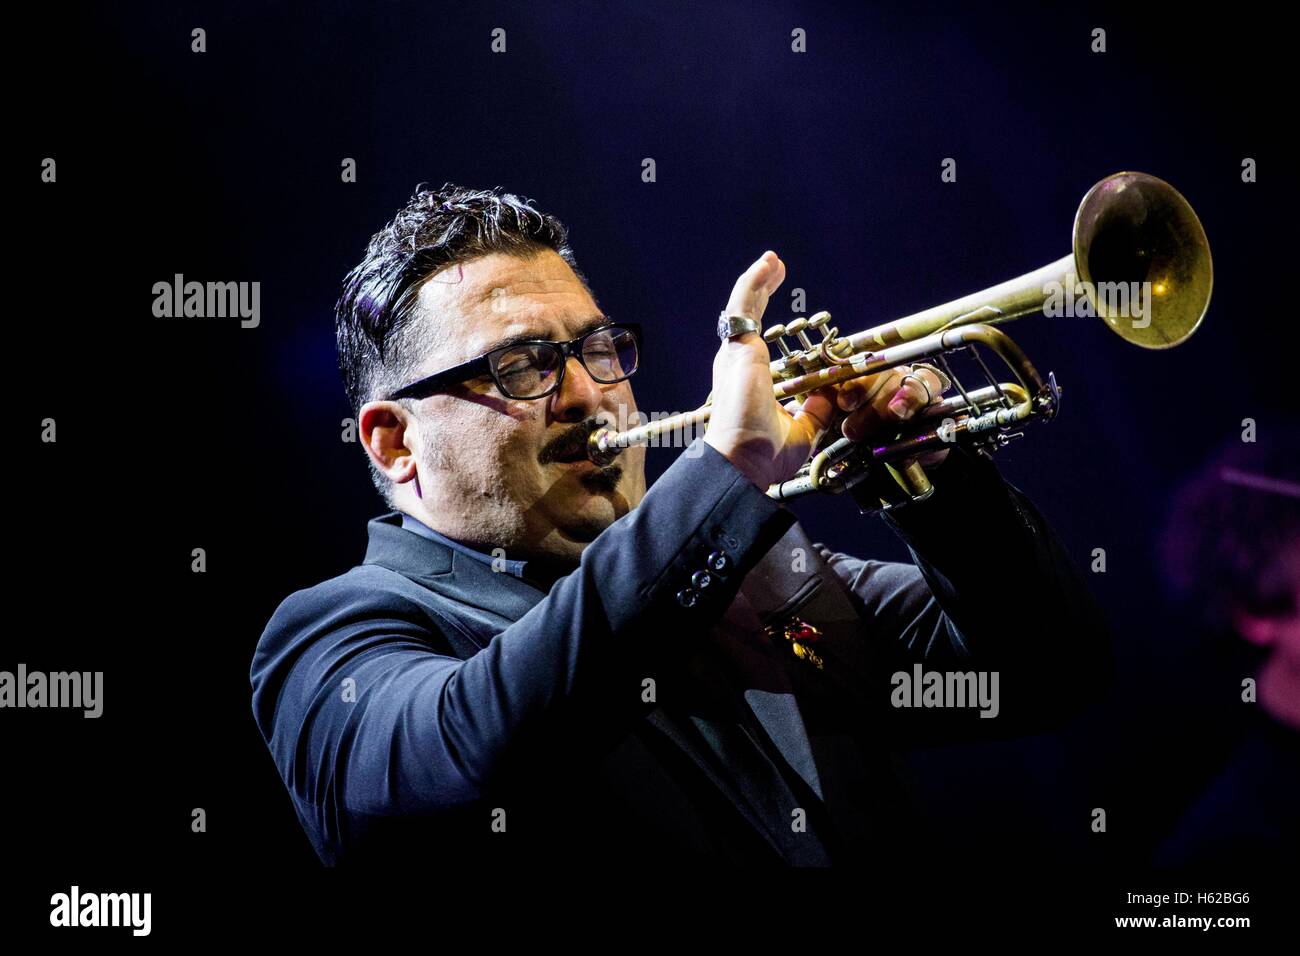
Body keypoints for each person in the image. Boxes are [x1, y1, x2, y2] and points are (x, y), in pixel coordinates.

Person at [250, 184, 1113, 865]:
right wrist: (727, 473)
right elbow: (470, 757)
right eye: (523, 366)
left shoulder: (765, 578)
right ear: (396, 441)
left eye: (596, 349)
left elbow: (1046, 672)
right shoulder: (336, 635)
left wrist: (936, 478)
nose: (591, 393)